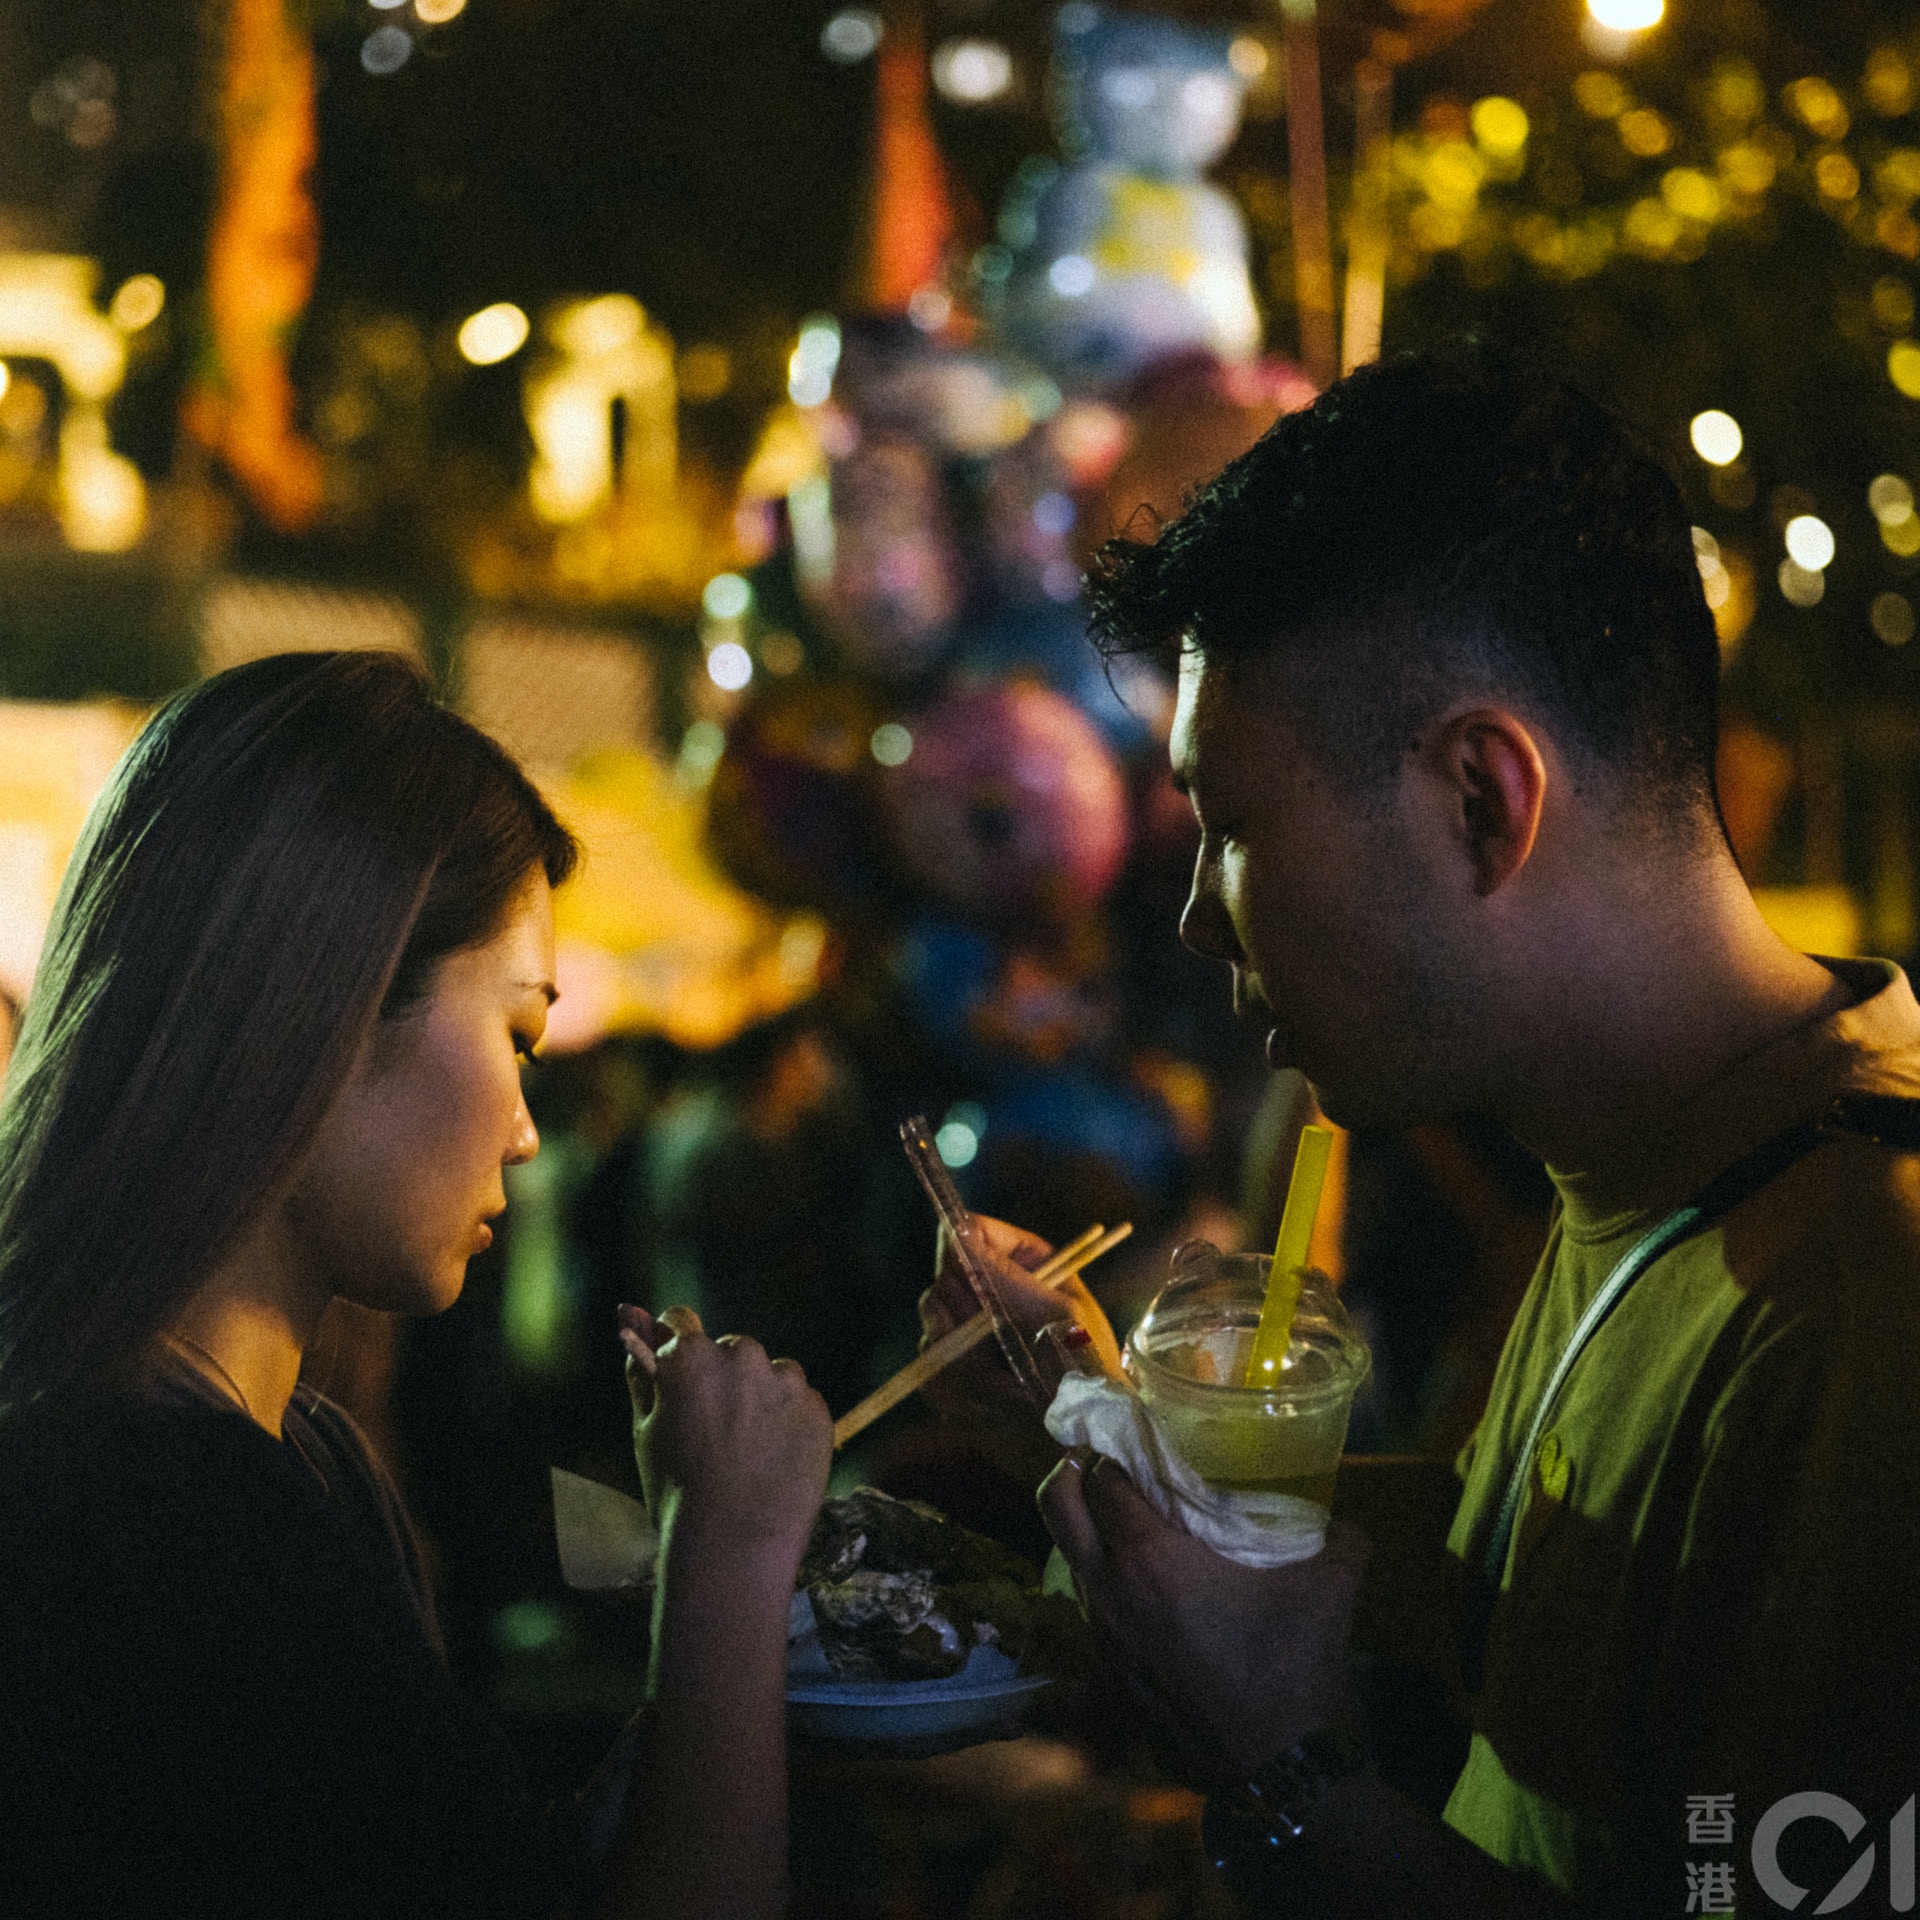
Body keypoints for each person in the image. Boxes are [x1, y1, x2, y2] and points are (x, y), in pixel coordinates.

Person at [920, 347, 1920, 1917]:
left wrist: (1284, 1776)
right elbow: (1536, 1588)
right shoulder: (1652, 1167)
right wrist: (1101, 1428)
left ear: (1479, 800)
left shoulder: (1864, 1299)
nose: (1197, 919)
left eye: (1233, 830)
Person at [0, 651, 832, 1920]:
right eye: (518, 1034)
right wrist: (725, 1562)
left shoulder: (257, 1453)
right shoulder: (185, 1531)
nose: (527, 1133)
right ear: (335, 1003)